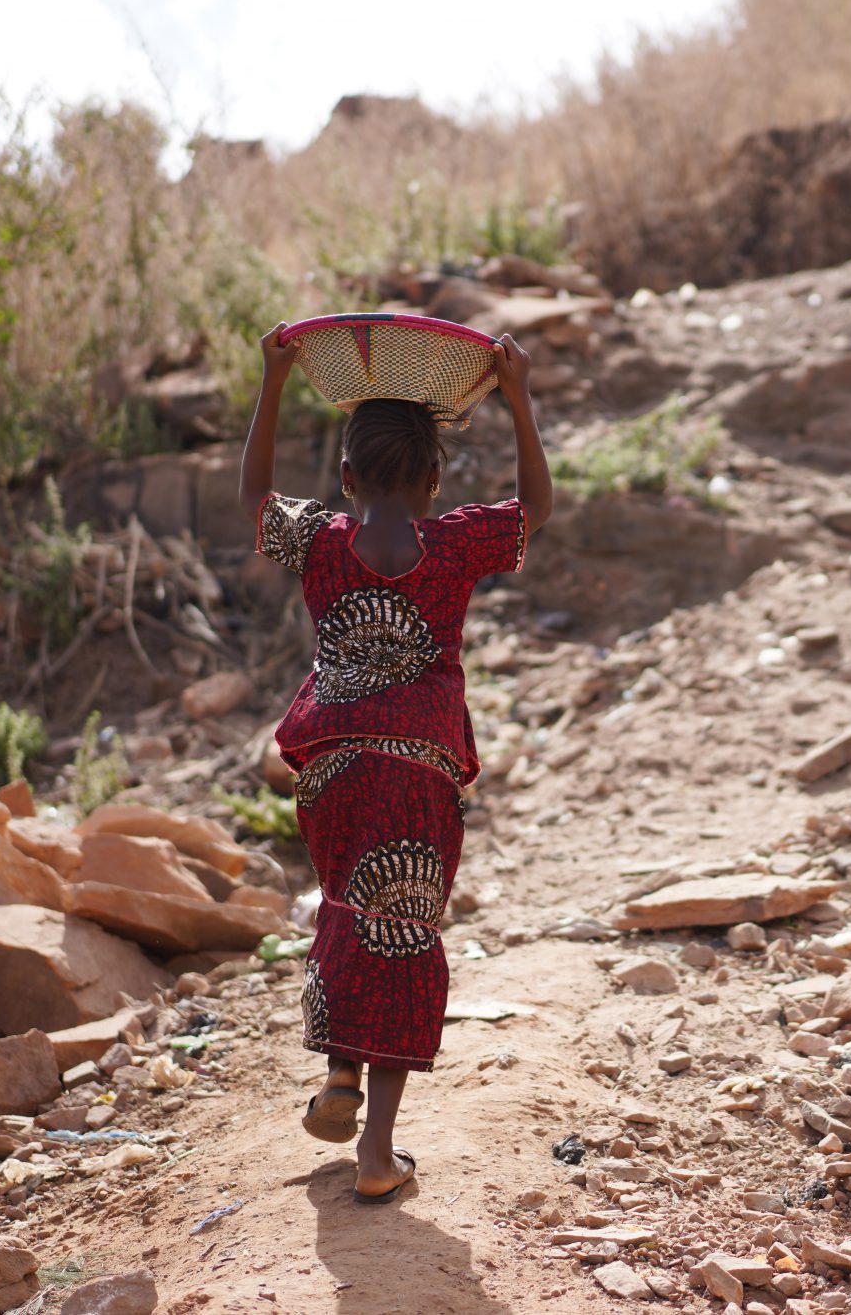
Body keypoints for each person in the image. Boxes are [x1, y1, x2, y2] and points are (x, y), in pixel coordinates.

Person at [238, 322, 552, 1203]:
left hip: (332, 767)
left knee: (348, 906)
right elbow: (536, 512)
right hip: (418, 765)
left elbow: (254, 495)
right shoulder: (453, 544)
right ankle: (377, 1149)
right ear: (435, 483)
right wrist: (519, 399)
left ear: (344, 479)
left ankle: (340, 1071)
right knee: (404, 926)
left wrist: (273, 379)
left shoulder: (322, 539)